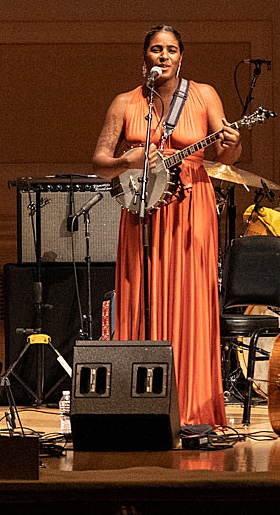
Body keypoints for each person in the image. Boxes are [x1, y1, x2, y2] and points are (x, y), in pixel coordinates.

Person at [92, 25, 239, 428]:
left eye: (171, 50)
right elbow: (100, 160)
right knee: (142, 295)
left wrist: (232, 140)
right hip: (142, 210)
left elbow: (229, 152)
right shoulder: (125, 102)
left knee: (191, 298)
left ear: (181, 57)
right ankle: (136, 401)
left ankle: (191, 405)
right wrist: (127, 160)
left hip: (191, 207)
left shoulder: (205, 95)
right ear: (145, 59)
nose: (164, 56)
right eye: (156, 49)